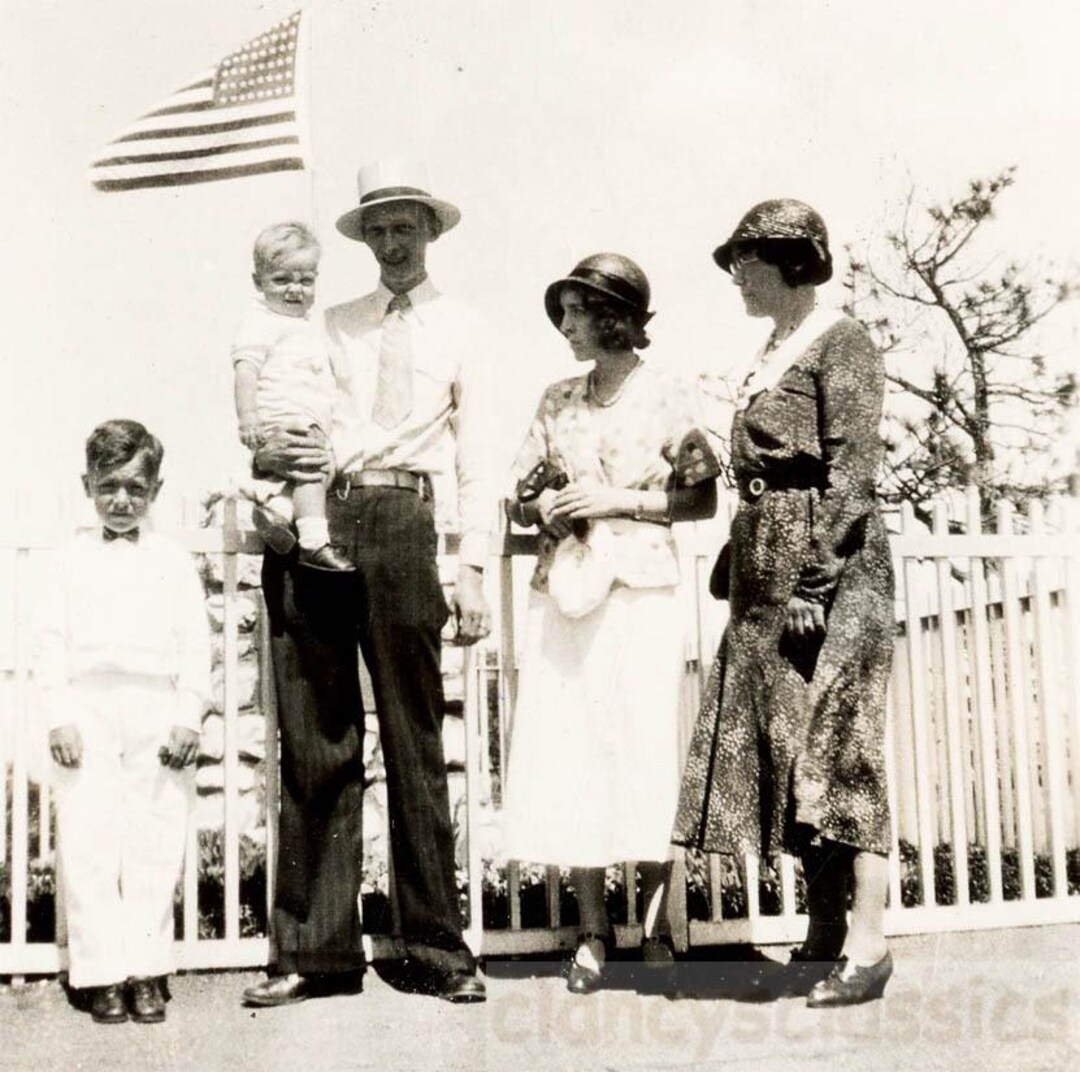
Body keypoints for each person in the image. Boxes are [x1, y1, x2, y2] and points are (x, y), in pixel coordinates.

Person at [241, 159, 494, 1007]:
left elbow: (476, 454)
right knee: (316, 736)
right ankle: (312, 953)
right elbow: (281, 405)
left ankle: (437, 950)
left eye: (405, 228)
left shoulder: (465, 324)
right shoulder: (329, 322)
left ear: (430, 231)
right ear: (364, 237)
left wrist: (469, 565)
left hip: (407, 518)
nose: (392, 243)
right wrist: (270, 463)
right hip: (323, 515)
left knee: (416, 739)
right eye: (378, 229)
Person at [671, 200, 896, 1008]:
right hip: (765, 568)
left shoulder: (843, 342)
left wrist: (815, 583)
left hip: (828, 572)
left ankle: (867, 946)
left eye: (748, 261)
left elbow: (853, 471)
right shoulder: (770, 354)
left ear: (792, 261)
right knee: (786, 748)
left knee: (841, 750)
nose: (736, 276)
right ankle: (825, 931)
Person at [502, 253, 720, 994]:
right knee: (576, 752)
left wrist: (610, 501)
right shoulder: (556, 399)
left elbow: (699, 501)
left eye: (577, 312)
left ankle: (656, 923)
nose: (565, 327)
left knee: (643, 747)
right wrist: (542, 507)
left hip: (641, 590)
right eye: (562, 312)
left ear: (615, 318)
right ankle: (593, 930)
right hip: (568, 592)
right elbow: (516, 490)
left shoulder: (665, 394)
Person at [34, 420, 210, 1024]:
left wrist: (188, 715)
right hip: (87, 709)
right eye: (109, 487)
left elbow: (195, 643)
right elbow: (49, 643)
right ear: (87, 485)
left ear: (156, 489)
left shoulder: (172, 561)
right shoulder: (66, 561)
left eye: (136, 488)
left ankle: (145, 968)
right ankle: (99, 971)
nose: (122, 501)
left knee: (155, 838)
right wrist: (58, 715)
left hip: (156, 710)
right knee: (88, 837)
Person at [232, 221, 354, 572]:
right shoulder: (260, 322)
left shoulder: (307, 324)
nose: (294, 290)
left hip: (307, 415)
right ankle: (315, 542)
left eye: (305, 281)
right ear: (259, 282)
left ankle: (279, 511)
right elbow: (246, 370)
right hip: (285, 416)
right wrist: (249, 418)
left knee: (320, 469)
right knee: (313, 468)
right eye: (282, 280)